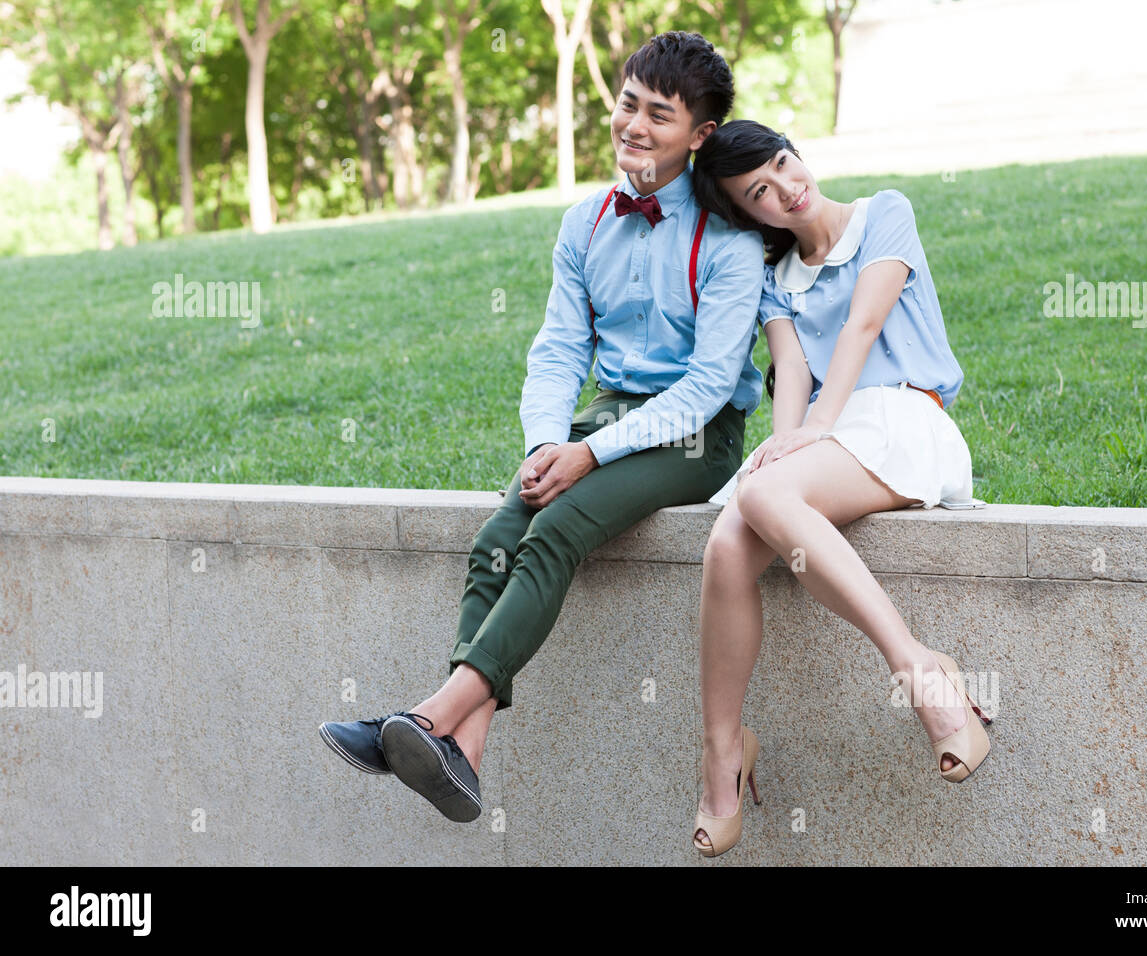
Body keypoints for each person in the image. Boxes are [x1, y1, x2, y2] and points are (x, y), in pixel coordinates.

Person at [318, 33, 767, 823]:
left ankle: (428, 718)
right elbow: (560, 347)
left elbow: (703, 391)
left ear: (699, 135)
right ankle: (464, 748)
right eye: (628, 102)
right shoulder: (587, 219)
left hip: (699, 435)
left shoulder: (730, 242)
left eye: (658, 115)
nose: (633, 124)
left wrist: (587, 453)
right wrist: (543, 445)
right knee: (501, 528)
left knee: (555, 527)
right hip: (608, 416)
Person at [687, 120, 993, 857]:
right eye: (760, 191)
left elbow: (862, 325)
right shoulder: (774, 275)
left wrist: (816, 427)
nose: (787, 189)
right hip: (832, 430)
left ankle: (917, 668)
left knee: (758, 502)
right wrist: (782, 444)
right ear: (747, 213)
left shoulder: (884, 213)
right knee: (731, 535)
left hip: (903, 417)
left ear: (796, 152)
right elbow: (790, 368)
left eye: (784, 164)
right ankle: (722, 750)